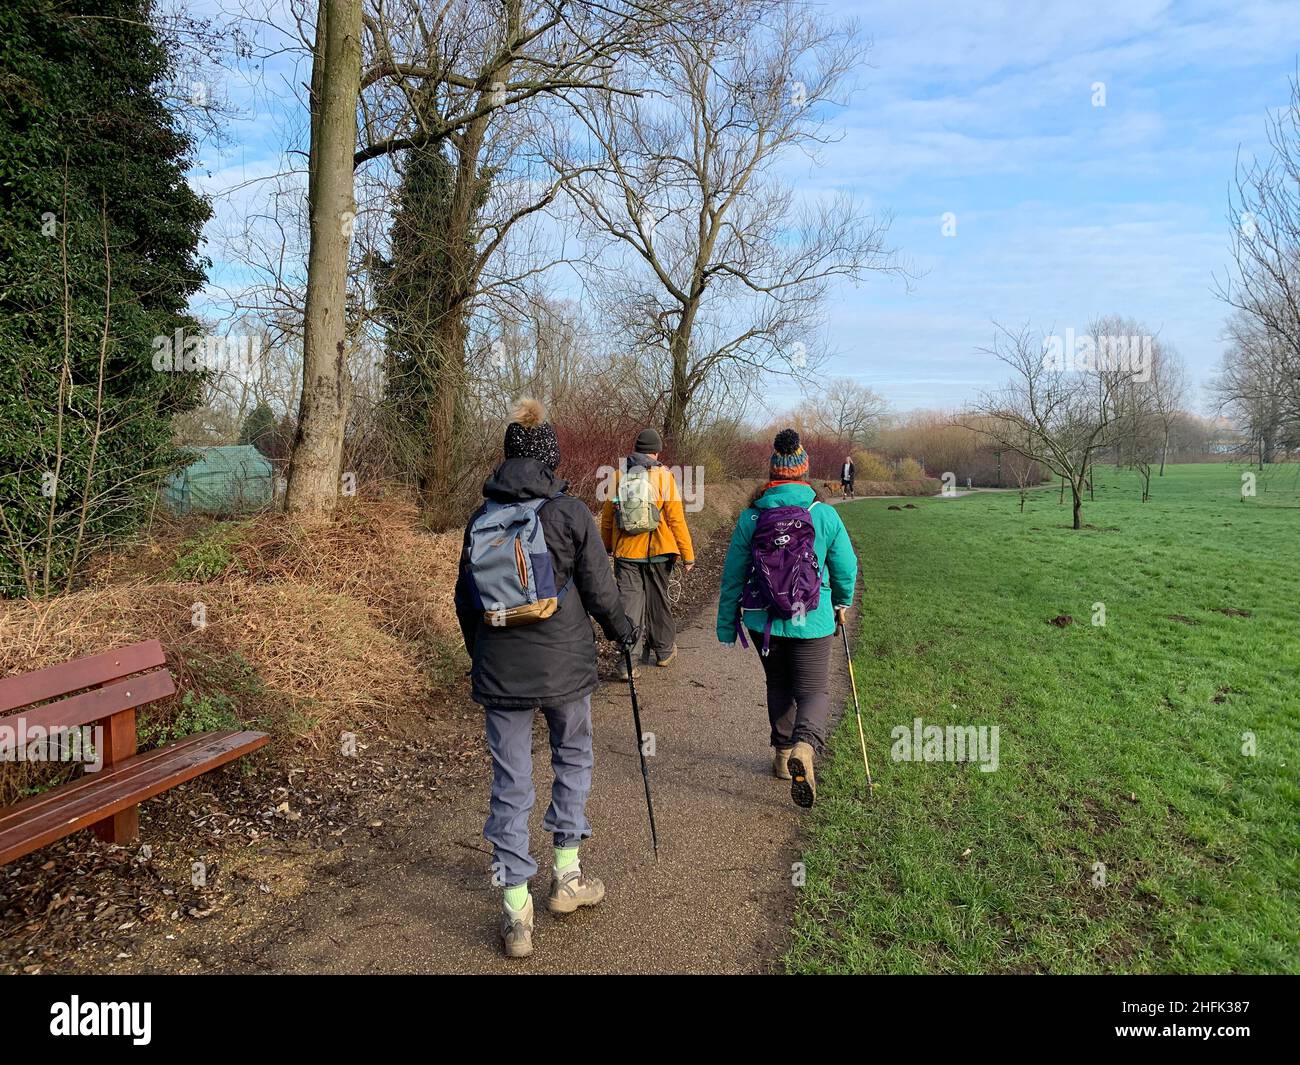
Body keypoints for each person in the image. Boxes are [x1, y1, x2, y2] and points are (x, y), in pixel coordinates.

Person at [454, 398, 637, 959]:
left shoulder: (480, 518)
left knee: (510, 782)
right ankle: (566, 877)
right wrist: (623, 631)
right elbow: (601, 590)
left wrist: (482, 655)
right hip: (565, 669)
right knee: (573, 758)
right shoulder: (571, 512)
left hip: (500, 671)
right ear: (551, 460)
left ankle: (516, 913)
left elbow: (466, 603)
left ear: (507, 459)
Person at [715, 428, 859, 808]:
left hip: (764, 622)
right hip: (811, 621)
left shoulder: (751, 516)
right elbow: (846, 567)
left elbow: (732, 574)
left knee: (777, 684)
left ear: (772, 472)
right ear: (804, 469)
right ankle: (805, 747)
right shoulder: (824, 515)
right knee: (812, 691)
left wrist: (727, 622)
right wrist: (841, 603)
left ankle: (782, 757)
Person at [600, 427, 696, 679]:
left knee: (629, 606)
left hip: (627, 553)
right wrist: (688, 554)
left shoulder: (618, 475)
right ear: (656, 451)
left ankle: (627, 664)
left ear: (636, 450)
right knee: (658, 601)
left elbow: (608, 519)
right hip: (660, 552)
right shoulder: (665, 477)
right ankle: (664, 652)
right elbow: (676, 518)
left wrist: (608, 547)